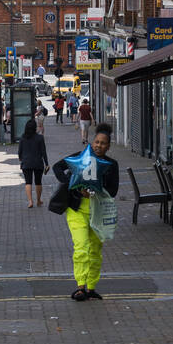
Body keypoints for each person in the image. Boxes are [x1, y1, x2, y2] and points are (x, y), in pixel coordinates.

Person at [52, 122, 119, 301]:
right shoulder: (80, 157)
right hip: (76, 211)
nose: (99, 146)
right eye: (96, 142)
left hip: (98, 213)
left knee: (95, 252)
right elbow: (57, 168)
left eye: (103, 143)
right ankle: (80, 286)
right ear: (91, 142)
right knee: (81, 248)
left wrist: (97, 190)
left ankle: (91, 287)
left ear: (108, 146)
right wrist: (73, 183)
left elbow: (113, 191)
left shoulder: (112, 165)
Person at [18, 118, 49, 208]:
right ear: (35, 127)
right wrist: (46, 163)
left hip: (26, 162)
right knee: (38, 182)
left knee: (28, 182)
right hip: (37, 162)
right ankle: (38, 200)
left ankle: (30, 201)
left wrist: (20, 158)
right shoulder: (40, 137)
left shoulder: (23, 137)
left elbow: (20, 150)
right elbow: (44, 152)